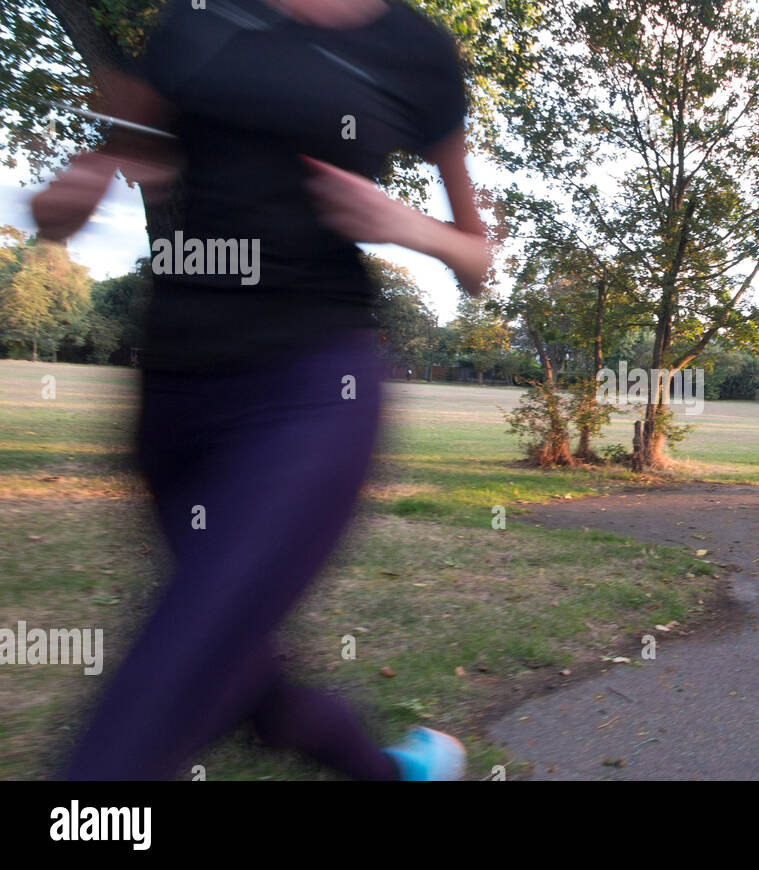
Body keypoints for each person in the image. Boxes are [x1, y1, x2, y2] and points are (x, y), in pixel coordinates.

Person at [31, 0, 491, 781]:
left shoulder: (413, 47)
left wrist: (402, 222)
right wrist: (84, 180)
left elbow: (476, 259)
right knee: (238, 663)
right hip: (175, 394)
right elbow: (78, 195)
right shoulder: (198, 23)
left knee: (178, 664)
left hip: (315, 388)